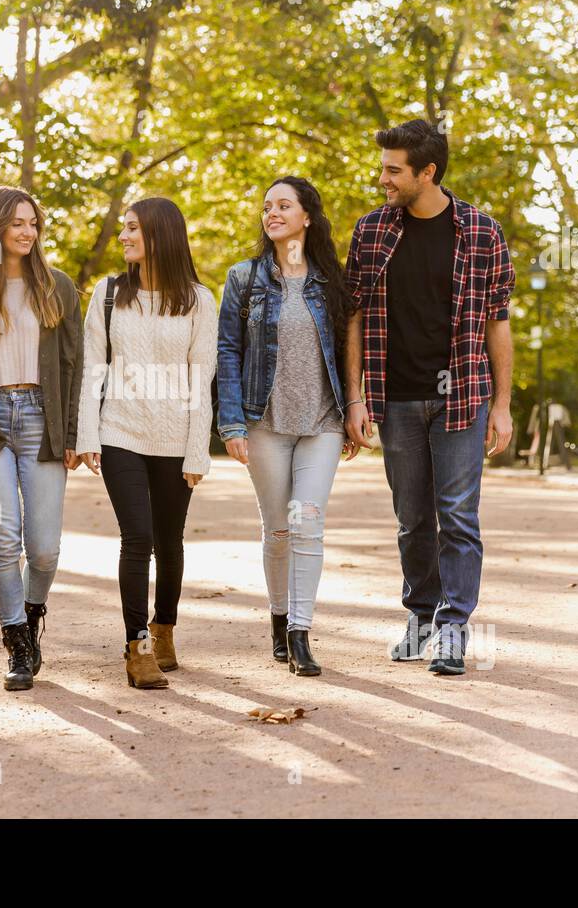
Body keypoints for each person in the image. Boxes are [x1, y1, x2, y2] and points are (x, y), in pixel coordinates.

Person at [342, 119, 515, 675]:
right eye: (384, 168)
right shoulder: (370, 233)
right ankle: (420, 618)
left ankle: (453, 629)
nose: (383, 178)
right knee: (412, 519)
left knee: (458, 516)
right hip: (396, 399)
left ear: (428, 172)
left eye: (394, 170)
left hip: (462, 397)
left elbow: (498, 323)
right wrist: (356, 397)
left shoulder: (482, 233)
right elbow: (356, 316)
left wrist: (504, 404)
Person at [216, 176, 359, 676]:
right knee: (278, 530)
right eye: (266, 206)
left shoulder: (331, 281)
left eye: (283, 205)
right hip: (264, 423)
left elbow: (349, 352)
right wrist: (231, 422)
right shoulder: (245, 278)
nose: (271, 213)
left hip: (323, 422)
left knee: (307, 525)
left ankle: (300, 633)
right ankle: (279, 620)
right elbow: (228, 351)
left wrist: (357, 408)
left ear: (307, 217)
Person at [75, 197, 217, 689]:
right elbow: (93, 368)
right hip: (121, 433)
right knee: (136, 538)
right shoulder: (109, 294)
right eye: (124, 229)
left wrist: (198, 448)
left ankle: (164, 629)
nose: (124, 237)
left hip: (177, 436)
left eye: (133, 228)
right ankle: (136, 647)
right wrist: (88, 434)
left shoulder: (199, 299)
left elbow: (203, 380)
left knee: (169, 540)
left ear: (159, 234)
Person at [0, 186, 83, 691]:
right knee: (5, 540)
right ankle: (17, 646)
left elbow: (74, 366)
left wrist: (71, 432)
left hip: (43, 422)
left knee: (44, 549)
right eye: (17, 223)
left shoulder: (58, 287)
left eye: (33, 223)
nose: (27, 232)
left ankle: (30, 613)